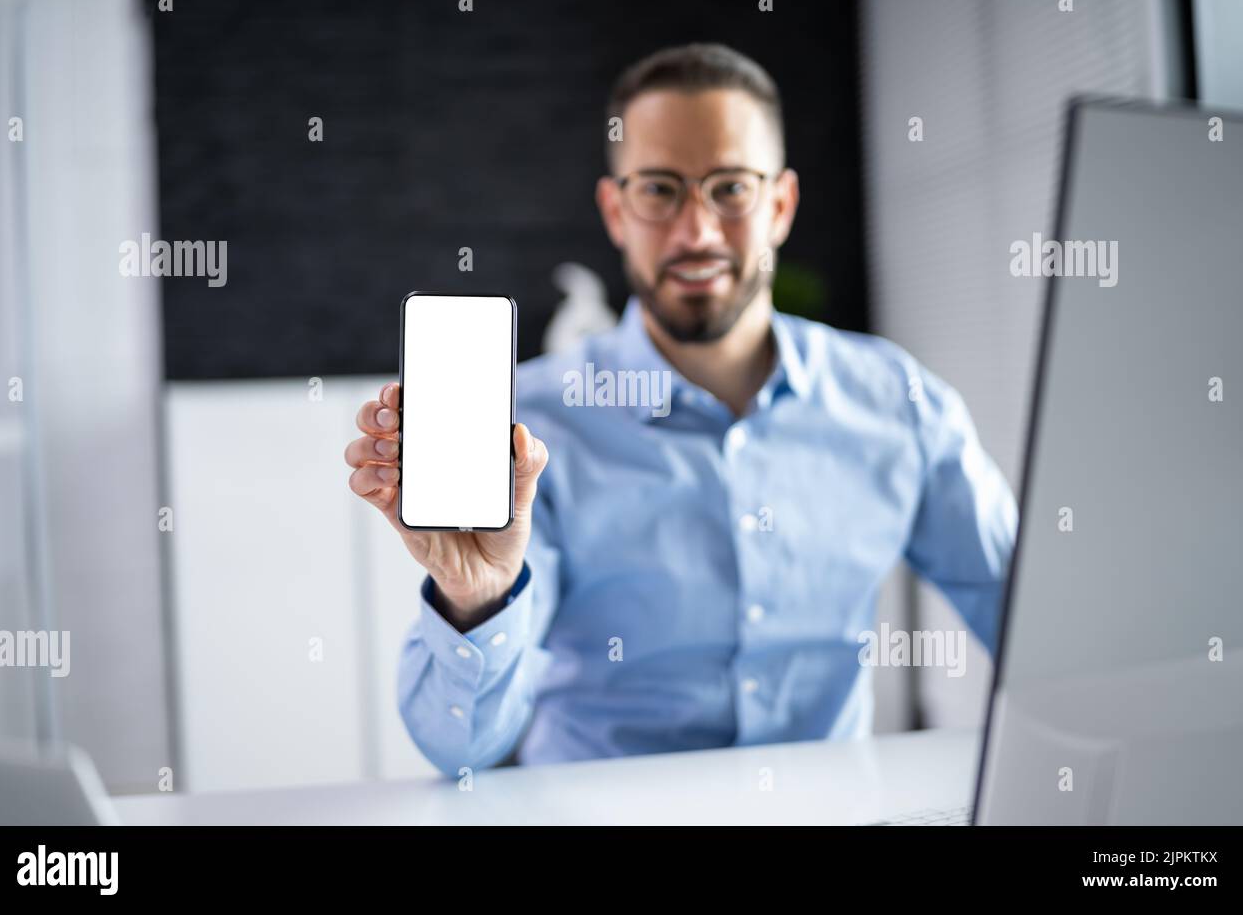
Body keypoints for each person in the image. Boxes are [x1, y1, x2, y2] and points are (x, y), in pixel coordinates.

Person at [344, 43, 1018, 777]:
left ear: (781, 205)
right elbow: (459, 749)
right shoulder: (533, 428)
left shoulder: (900, 404)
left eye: (729, 188)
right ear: (615, 210)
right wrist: (476, 599)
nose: (696, 232)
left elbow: (1031, 626)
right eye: (660, 190)